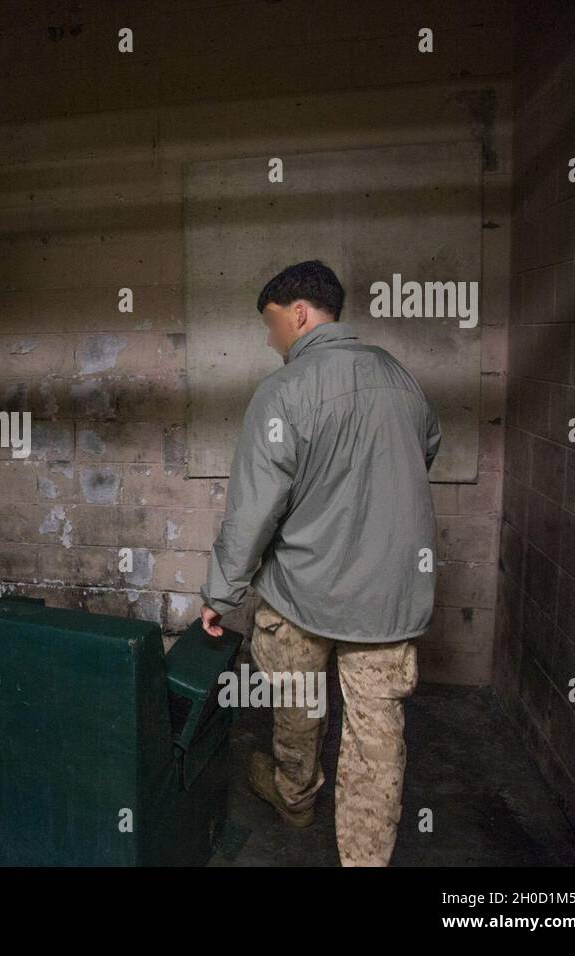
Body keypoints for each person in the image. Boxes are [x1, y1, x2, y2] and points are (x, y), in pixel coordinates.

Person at [198, 260, 440, 866]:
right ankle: (365, 859)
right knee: (375, 736)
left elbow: (252, 513)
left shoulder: (283, 391)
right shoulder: (399, 377)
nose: (270, 338)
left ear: (299, 314)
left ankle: (296, 795)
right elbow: (426, 446)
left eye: (272, 324)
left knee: (299, 704)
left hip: (301, 592)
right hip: (388, 597)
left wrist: (220, 596)